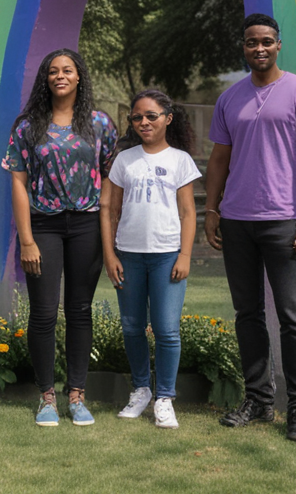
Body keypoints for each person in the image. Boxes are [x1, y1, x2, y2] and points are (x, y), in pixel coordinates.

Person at [204, 13, 296, 442]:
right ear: (243, 48)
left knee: (292, 317)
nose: (258, 48)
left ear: (278, 45)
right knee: (248, 315)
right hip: (238, 221)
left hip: (283, 221)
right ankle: (258, 400)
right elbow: (219, 159)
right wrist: (211, 209)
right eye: (251, 42)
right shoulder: (230, 99)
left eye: (266, 42)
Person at [2, 48, 117, 427]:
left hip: (86, 226)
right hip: (44, 226)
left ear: (79, 76)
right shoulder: (27, 126)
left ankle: (77, 396)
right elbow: (18, 184)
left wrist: (108, 233)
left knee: (80, 311)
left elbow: (110, 181)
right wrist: (27, 239)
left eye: (68, 70)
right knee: (44, 312)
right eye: (53, 71)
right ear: (46, 79)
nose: (60, 76)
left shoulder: (99, 124)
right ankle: (47, 397)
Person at [102, 90, 201, 429]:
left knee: (166, 329)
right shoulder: (124, 160)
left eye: (151, 116)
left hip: (167, 256)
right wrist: (109, 253)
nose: (143, 122)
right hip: (128, 256)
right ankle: (141, 390)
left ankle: (164, 398)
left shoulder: (180, 160)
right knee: (132, 326)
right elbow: (108, 210)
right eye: (137, 118)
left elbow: (189, 213)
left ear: (167, 118)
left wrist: (185, 255)